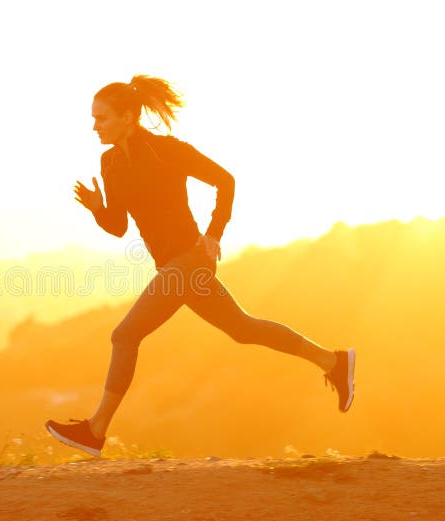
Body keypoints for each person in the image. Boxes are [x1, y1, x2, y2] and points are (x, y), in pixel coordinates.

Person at [45, 75, 355, 458]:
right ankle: (333, 361)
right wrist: (97, 210)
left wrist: (214, 233)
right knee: (243, 328)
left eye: (102, 118)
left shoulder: (168, 150)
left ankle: (96, 430)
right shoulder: (109, 163)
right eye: (93, 118)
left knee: (124, 336)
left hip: (190, 261)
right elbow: (119, 224)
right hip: (173, 268)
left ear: (128, 116)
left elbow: (225, 181)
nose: (95, 126)